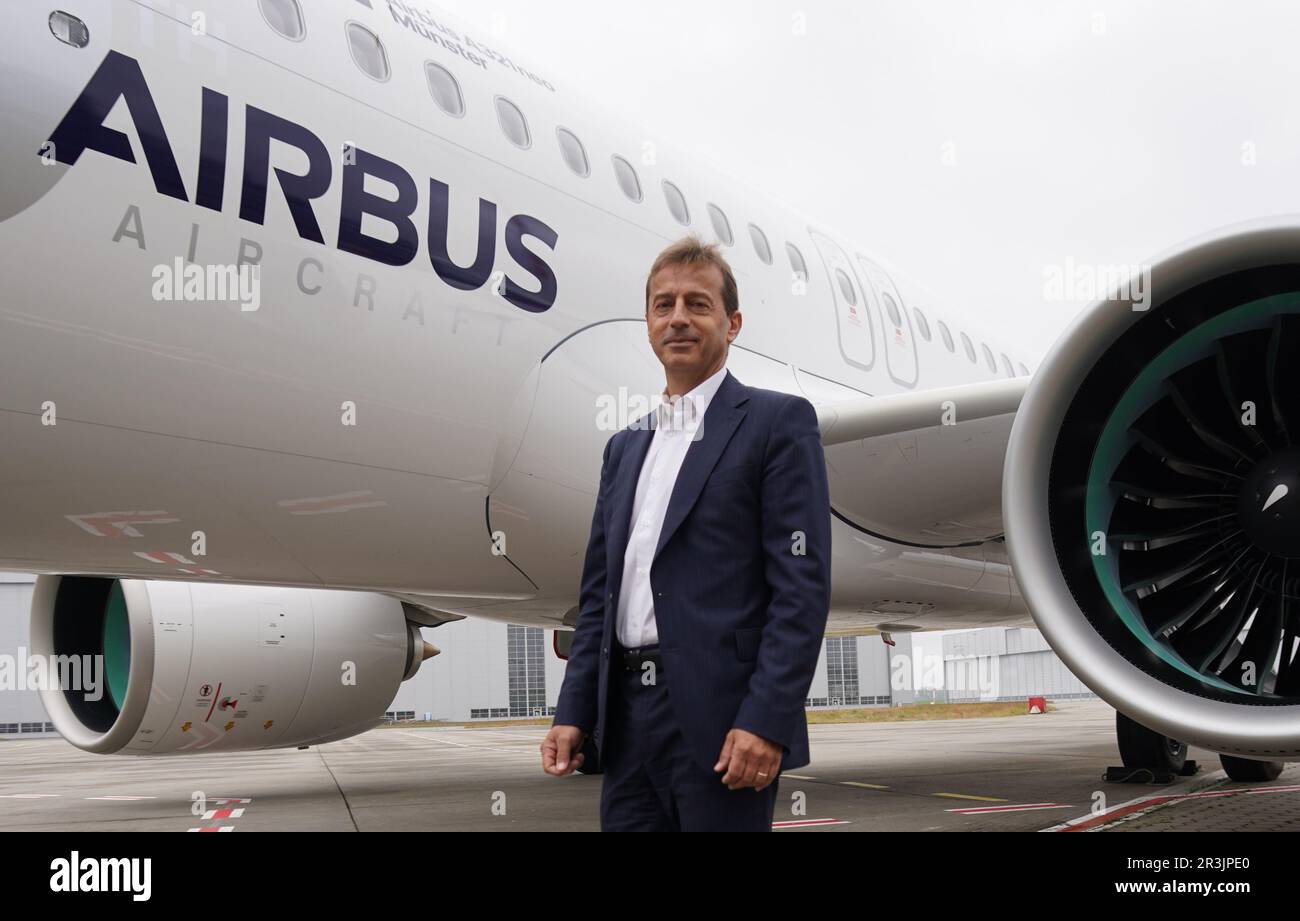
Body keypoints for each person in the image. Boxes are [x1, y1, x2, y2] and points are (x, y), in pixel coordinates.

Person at [541, 236, 832, 831]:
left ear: (733, 323)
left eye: (698, 304)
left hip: (724, 725)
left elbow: (800, 591)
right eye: (663, 305)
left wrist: (766, 720)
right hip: (626, 724)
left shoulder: (778, 424)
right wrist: (573, 712)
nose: (678, 318)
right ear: (649, 324)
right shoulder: (623, 448)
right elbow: (599, 599)